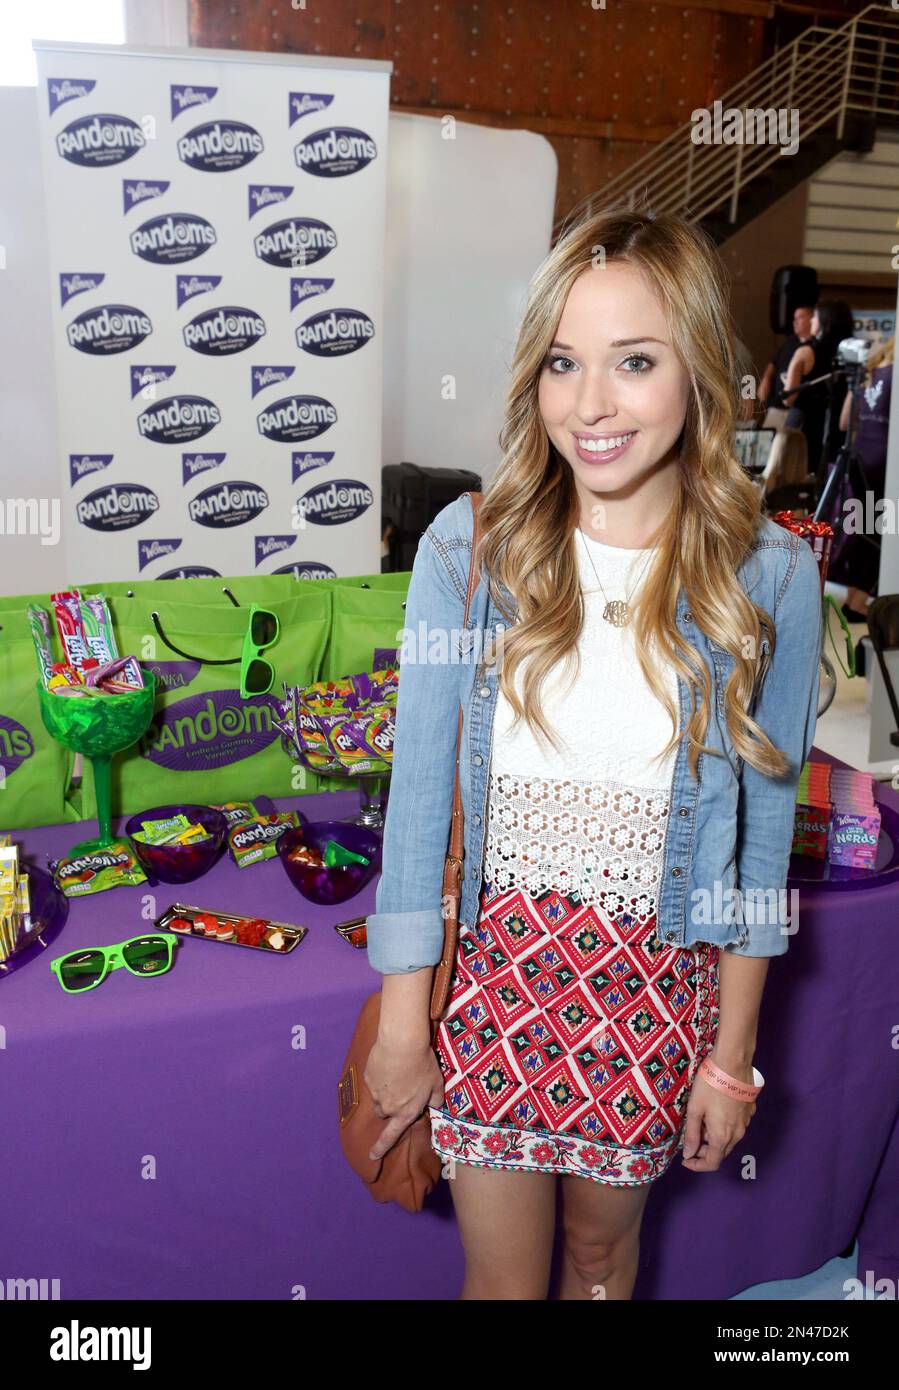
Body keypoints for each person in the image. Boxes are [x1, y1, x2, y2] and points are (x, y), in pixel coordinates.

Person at [364, 208, 823, 1302]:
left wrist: (731, 1054)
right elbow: (417, 803)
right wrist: (399, 1024)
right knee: (503, 1282)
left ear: (700, 368)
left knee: (602, 1261)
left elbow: (761, 856)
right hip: (487, 977)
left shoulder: (768, 577)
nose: (588, 404)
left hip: (656, 983)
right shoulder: (468, 550)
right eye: (562, 362)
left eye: (633, 362)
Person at [830, 336, 894, 622]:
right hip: (886, 463)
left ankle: (855, 601)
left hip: (861, 461)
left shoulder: (868, 373)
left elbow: (845, 422)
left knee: (866, 529)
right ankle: (861, 603)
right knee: (883, 532)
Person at [783, 299, 855, 474]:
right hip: (837, 431)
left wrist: (787, 382)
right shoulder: (851, 356)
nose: (812, 321)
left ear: (824, 320)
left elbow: (788, 398)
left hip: (805, 430)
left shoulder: (805, 352)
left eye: (815, 316)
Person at [758, 303, 814, 429]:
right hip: (776, 406)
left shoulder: (814, 346)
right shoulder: (789, 342)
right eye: (795, 318)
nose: (795, 322)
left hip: (797, 409)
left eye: (800, 318)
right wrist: (766, 379)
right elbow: (773, 364)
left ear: (812, 319)